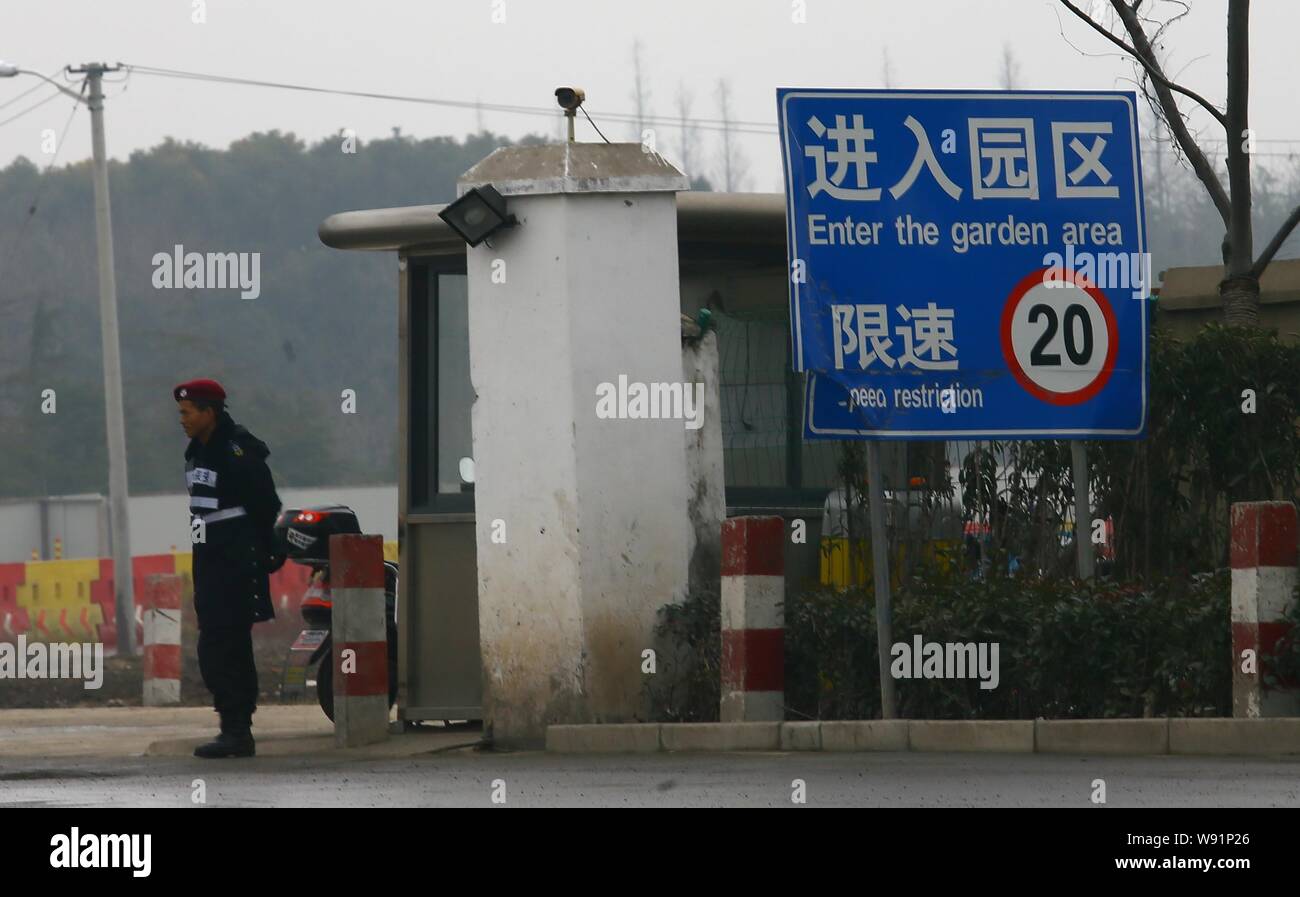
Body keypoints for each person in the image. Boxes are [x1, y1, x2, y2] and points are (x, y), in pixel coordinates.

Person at [175, 378, 285, 758]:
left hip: (236, 557)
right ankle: (230, 724)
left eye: (188, 413)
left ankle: (238, 729)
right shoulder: (197, 451)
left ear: (210, 412)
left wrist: (259, 546)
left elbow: (266, 503)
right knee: (213, 640)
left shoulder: (237, 450)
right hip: (208, 556)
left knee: (229, 641)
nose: (182, 420)